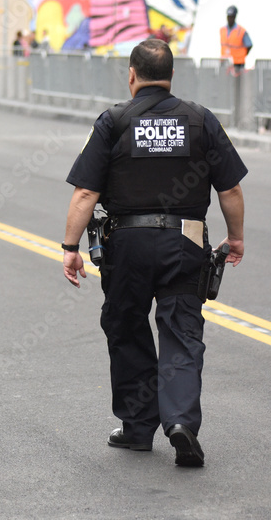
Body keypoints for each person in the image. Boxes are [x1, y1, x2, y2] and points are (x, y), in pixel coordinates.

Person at [62, 38, 247, 468]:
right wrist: (235, 237)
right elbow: (231, 187)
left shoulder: (114, 121)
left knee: (127, 328)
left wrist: (70, 247)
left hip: (127, 245)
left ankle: (138, 427)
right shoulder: (199, 120)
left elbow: (86, 191)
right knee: (182, 332)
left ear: (131, 75)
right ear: (172, 76)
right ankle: (181, 422)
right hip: (185, 242)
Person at [220, 6, 252, 78]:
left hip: (238, 63)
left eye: (232, 17)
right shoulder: (222, 30)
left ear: (235, 17)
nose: (230, 19)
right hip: (225, 62)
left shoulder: (241, 31)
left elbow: (249, 45)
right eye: (229, 16)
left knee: (237, 86)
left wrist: (242, 55)